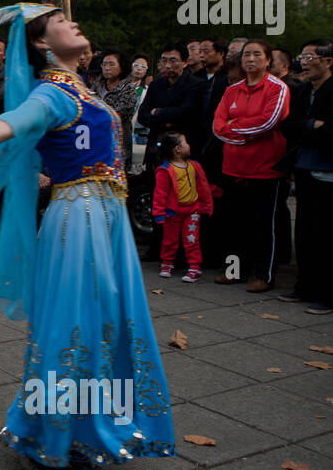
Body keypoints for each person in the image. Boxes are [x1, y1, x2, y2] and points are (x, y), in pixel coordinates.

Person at [0, 3, 174, 470]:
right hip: (80, 219)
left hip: (107, 219)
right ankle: (47, 436)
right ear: (42, 44)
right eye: (59, 22)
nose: (73, 22)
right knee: (75, 327)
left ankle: (89, 436)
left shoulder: (83, 89)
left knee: (109, 324)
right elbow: (23, 117)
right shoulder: (52, 92)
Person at [279, 40, 333, 315]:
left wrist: (309, 130)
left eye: (310, 56)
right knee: (305, 232)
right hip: (304, 168)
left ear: (328, 61)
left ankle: (330, 296)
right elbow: (287, 127)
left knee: (330, 237)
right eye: (303, 56)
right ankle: (305, 287)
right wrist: (311, 125)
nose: (304, 61)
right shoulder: (303, 91)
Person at [211, 39, 291, 292]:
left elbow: (267, 123)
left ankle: (264, 275)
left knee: (263, 226)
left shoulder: (277, 88)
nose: (250, 59)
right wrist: (241, 130)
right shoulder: (231, 90)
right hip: (233, 167)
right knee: (235, 224)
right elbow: (217, 125)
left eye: (257, 54)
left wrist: (234, 126)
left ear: (268, 60)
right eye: (247, 54)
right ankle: (235, 270)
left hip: (266, 168)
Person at [153, 132, 213, 281]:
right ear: (178, 149)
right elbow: (160, 194)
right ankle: (167, 263)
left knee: (192, 240)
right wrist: (159, 213)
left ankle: (194, 267)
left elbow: (202, 186)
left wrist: (207, 201)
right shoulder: (165, 170)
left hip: (193, 210)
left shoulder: (195, 166)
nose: (189, 145)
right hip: (172, 212)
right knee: (169, 240)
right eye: (186, 142)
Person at [138, 42, 204, 171]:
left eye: (173, 61)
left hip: (182, 151)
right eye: (164, 60)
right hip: (156, 148)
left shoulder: (196, 84)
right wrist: (166, 122)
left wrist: (158, 112)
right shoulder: (155, 85)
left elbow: (187, 113)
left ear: (185, 62)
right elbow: (142, 115)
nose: (168, 65)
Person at [90, 48, 138, 150]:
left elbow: (118, 114)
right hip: (96, 135)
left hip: (118, 139)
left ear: (122, 66)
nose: (107, 68)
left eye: (112, 64)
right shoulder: (97, 84)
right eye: (104, 64)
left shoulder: (128, 88)